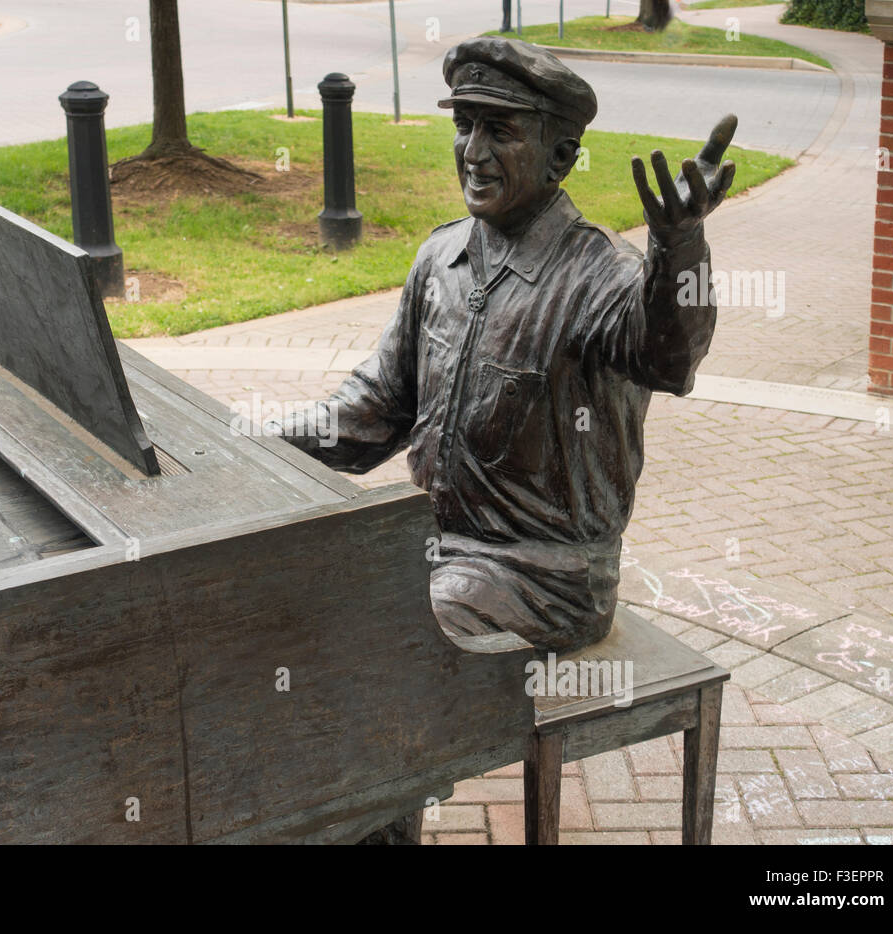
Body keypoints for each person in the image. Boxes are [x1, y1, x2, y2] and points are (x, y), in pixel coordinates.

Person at [273, 37, 737, 656]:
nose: (474, 151)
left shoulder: (601, 276)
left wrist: (679, 246)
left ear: (561, 157)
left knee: (388, 638)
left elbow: (670, 359)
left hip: (547, 577)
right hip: (434, 545)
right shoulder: (441, 257)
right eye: (465, 127)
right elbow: (374, 411)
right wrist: (255, 442)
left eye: (501, 131)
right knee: (284, 587)